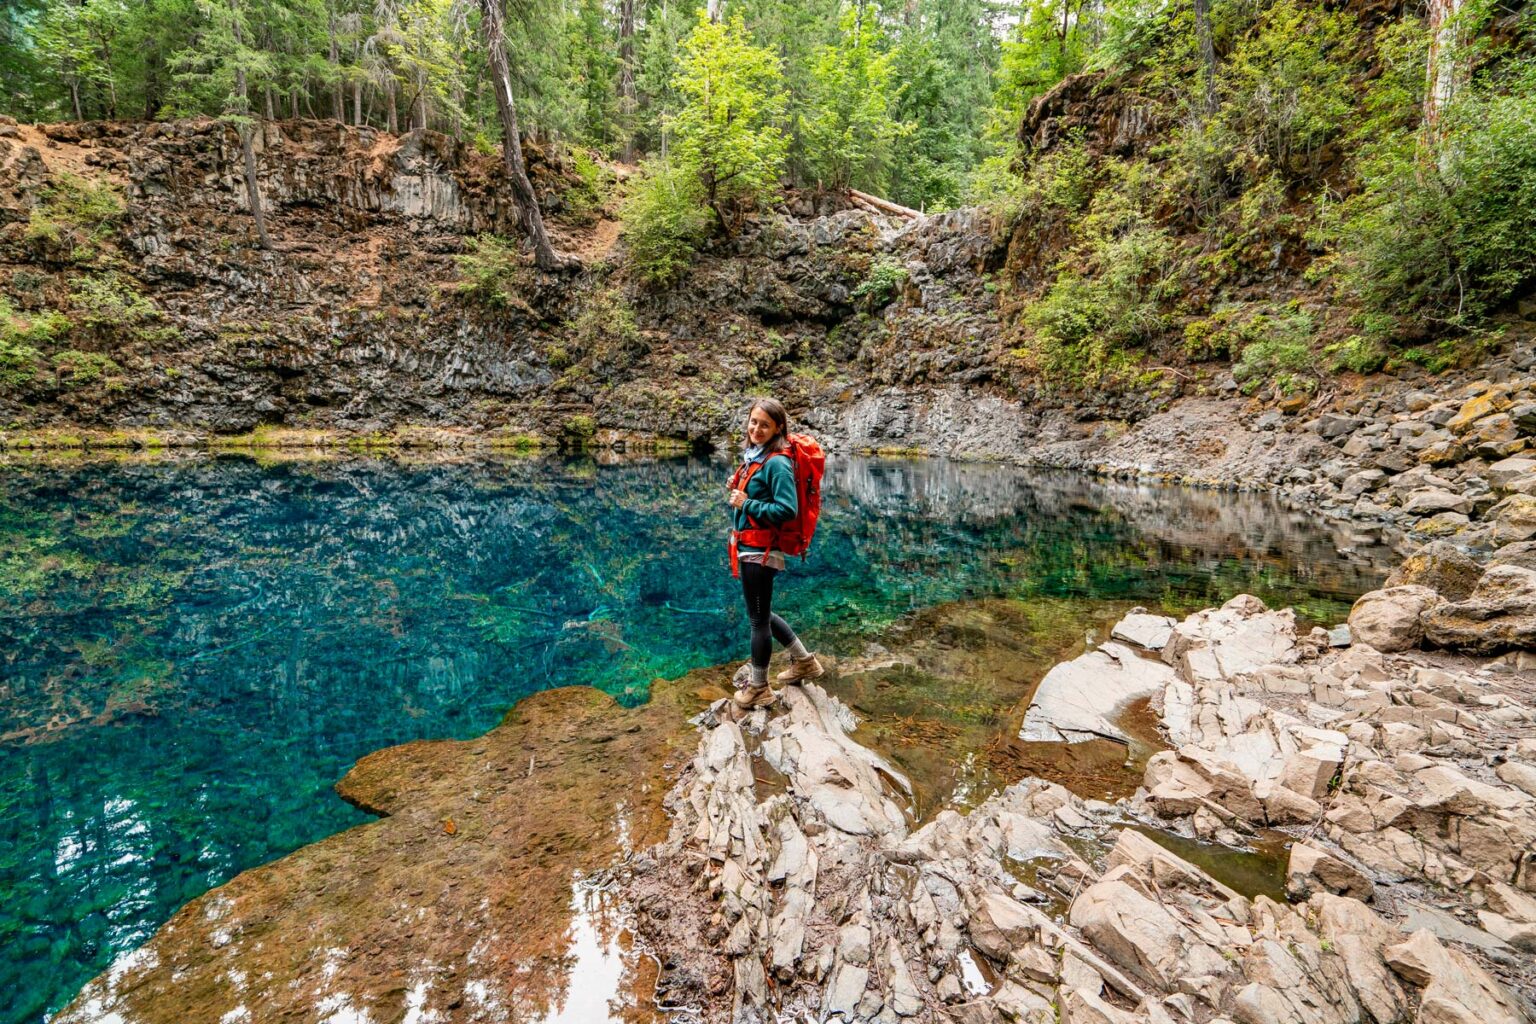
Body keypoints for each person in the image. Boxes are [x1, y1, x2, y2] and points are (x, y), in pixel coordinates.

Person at [728, 397, 823, 709]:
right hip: (751, 547)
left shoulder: (778, 462)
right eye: (753, 422)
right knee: (763, 614)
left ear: (778, 428)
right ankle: (804, 660)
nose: (756, 428)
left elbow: (786, 508)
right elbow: (760, 493)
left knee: (757, 621)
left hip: (760, 551)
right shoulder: (759, 457)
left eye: (764, 425)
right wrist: (742, 486)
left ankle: (759, 688)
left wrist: (747, 503)